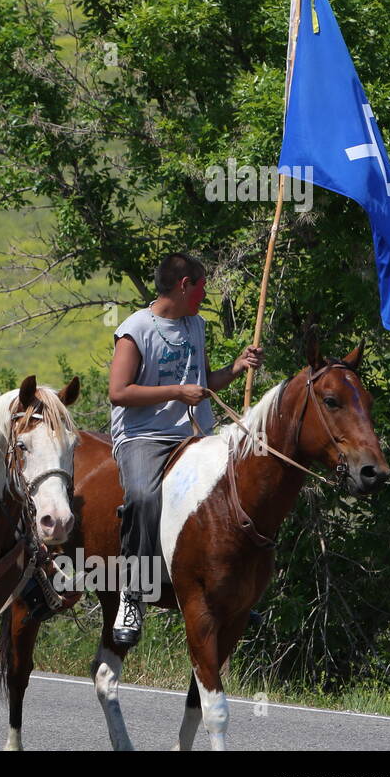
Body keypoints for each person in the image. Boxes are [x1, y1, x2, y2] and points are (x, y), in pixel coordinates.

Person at [107, 252, 264, 647]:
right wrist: (177, 392)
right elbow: (119, 392)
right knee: (143, 496)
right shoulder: (135, 330)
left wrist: (237, 367)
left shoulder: (196, 325)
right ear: (183, 286)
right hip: (144, 436)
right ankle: (133, 592)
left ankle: (233, 587)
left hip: (196, 435)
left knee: (238, 489)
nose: (204, 294)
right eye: (201, 287)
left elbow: (203, 381)